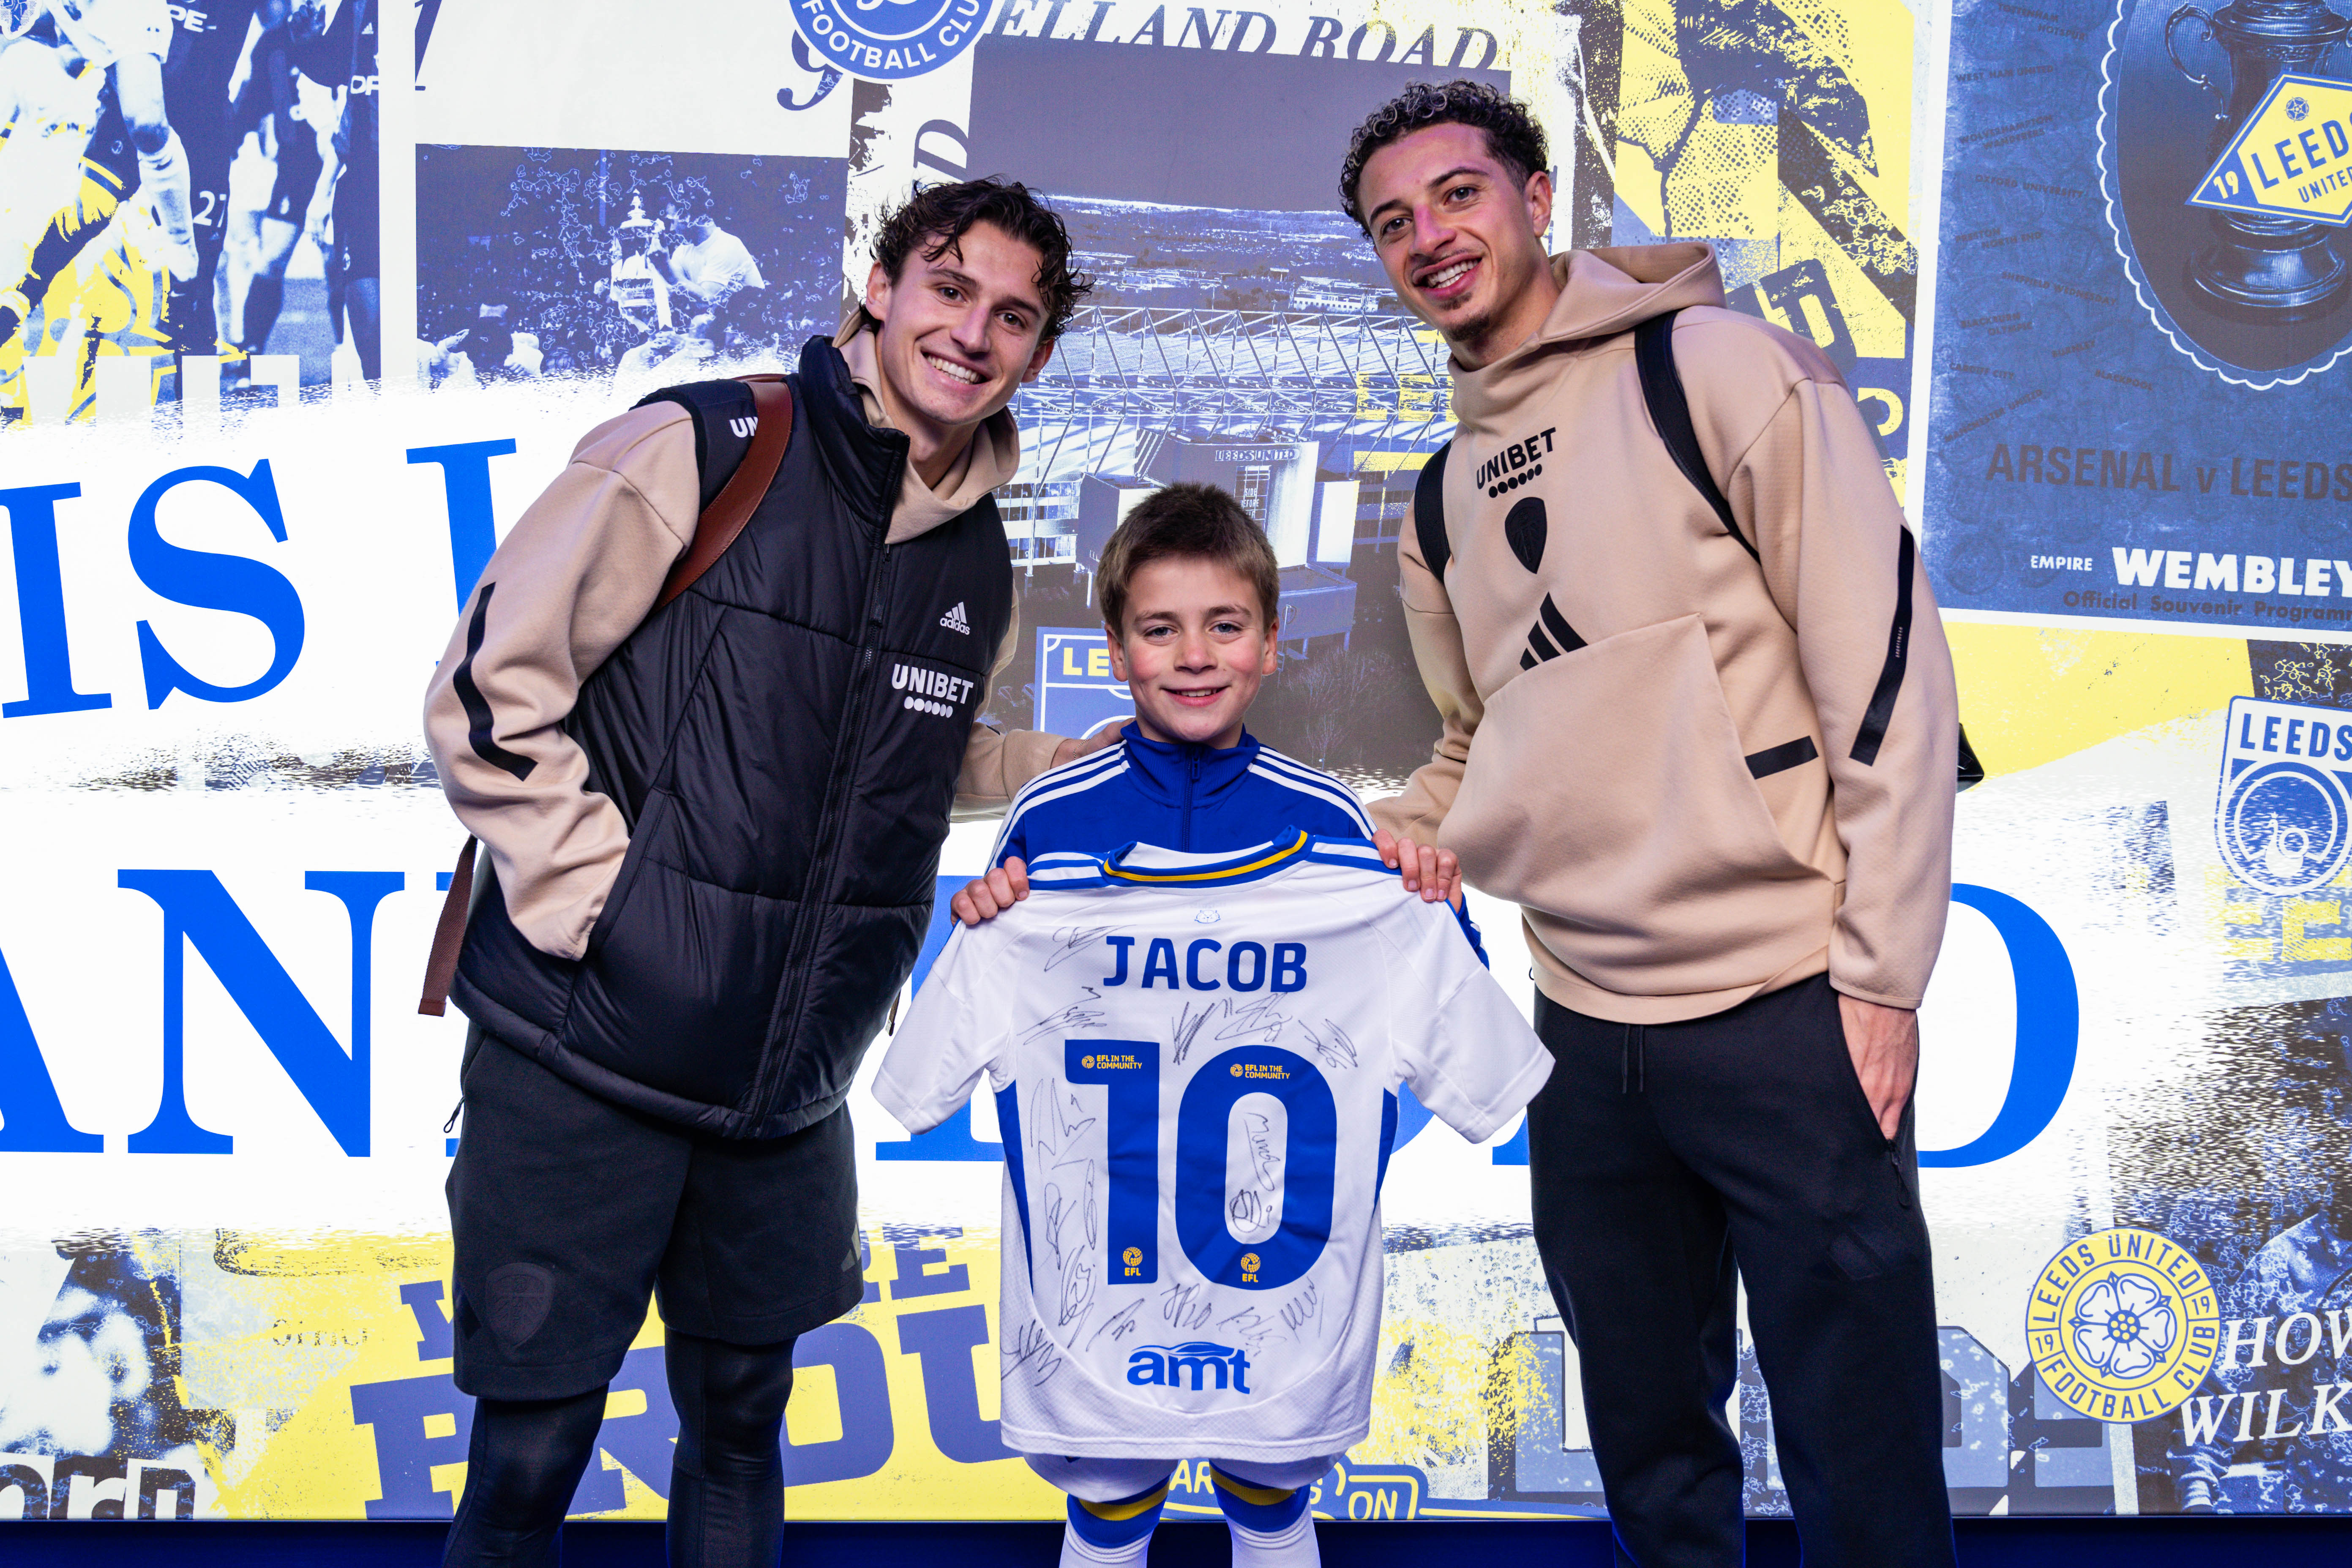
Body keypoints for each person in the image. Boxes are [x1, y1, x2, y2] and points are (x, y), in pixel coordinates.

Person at [420, 177, 1116, 1568]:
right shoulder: (705, 442)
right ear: (879, 286)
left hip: (788, 1088)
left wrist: (1059, 766)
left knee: (742, 1419)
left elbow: (904, 747)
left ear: (1037, 353)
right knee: (535, 1445)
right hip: (584, 1056)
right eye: (950, 288)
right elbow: (491, 687)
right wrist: (600, 911)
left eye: (1014, 317)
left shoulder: (979, 549)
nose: (974, 333)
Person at [1341, 81, 1961, 1566]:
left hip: (1783, 1006)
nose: (1428, 236)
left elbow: (1879, 659)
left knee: (1857, 1449)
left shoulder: (1717, 368)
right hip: (1579, 1036)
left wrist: (1876, 974)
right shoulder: (1438, 503)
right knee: (1649, 1458)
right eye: (1391, 223)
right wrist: (1350, 838)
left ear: (1535, 197)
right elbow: (1483, 737)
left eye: (1457, 195)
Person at [950, 481, 1381, 929]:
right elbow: (1004, 987)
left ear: (1270, 643)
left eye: (1226, 627)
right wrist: (985, 923)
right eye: (1160, 631)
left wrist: (1427, 897)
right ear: (1117, 651)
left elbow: (1400, 979)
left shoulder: (1333, 818)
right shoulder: (1043, 813)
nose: (1195, 659)